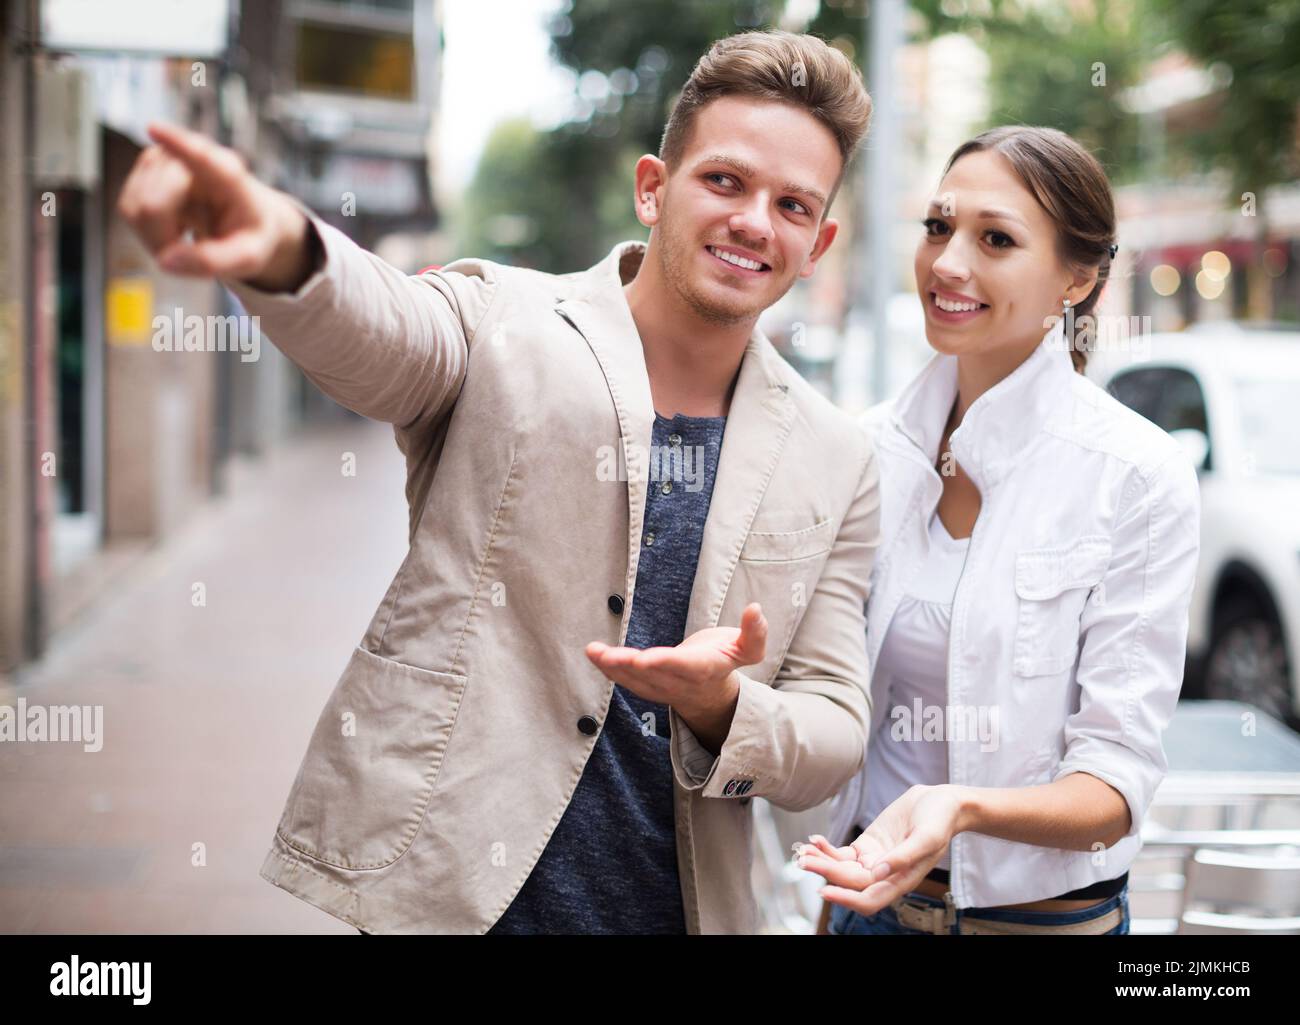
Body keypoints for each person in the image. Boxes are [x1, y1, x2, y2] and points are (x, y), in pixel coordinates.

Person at [117, 30, 881, 934]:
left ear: (820, 240)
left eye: (793, 205)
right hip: (451, 902)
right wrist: (284, 246)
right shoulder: (499, 321)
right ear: (653, 187)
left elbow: (835, 726)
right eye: (725, 180)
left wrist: (722, 707)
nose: (756, 220)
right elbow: (386, 330)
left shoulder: (839, 454)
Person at [796, 126, 1201, 936]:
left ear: (1077, 279)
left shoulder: (1135, 473)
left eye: (997, 239)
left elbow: (1114, 789)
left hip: (1042, 925)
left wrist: (963, 808)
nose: (948, 263)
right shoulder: (867, 449)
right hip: (865, 908)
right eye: (939, 226)